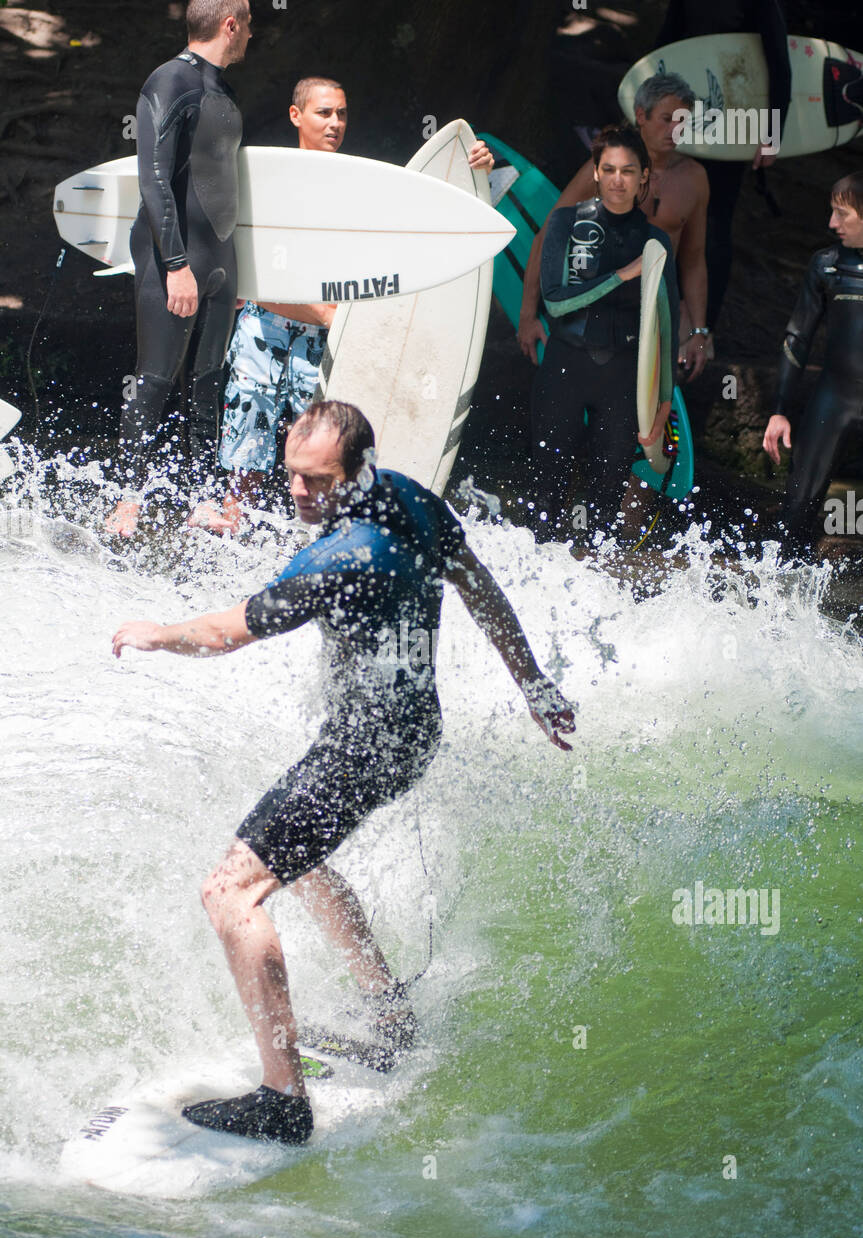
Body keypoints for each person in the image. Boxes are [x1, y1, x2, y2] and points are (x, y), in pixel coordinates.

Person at [112, 400, 575, 1145]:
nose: (299, 494)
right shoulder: (412, 498)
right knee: (303, 858)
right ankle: (389, 1017)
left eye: (316, 483)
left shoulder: (345, 553)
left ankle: (282, 1099)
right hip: (411, 731)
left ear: (354, 469)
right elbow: (479, 585)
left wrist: (157, 634)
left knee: (231, 890)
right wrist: (533, 685)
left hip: (367, 745)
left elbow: (229, 634)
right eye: (292, 476)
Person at [189, 79, 495, 535]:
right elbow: (249, 276)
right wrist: (327, 314)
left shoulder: (363, 189)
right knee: (247, 436)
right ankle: (233, 521)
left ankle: (330, 534)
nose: (335, 123)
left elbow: (420, 229)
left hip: (329, 339)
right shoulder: (268, 182)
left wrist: (474, 175)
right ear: (296, 116)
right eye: (324, 113)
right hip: (267, 327)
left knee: (329, 448)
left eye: (342, 114)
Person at [106, 0, 252, 540]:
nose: (250, 36)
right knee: (153, 379)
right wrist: (176, 265)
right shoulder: (168, 80)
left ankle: (200, 496)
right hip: (175, 259)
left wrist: (238, 273)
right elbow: (154, 181)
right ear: (229, 24)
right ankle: (126, 498)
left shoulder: (224, 91)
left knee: (209, 380)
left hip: (221, 258)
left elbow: (224, 183)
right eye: (249, 25)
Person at [529, 126, 679, 542]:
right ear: (595, 172)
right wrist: (621, 275)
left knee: (607, 497)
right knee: (548, 491)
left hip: (623, 375)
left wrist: (663, 405)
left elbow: (666, 326)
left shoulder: (655, 241)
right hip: (566, 364)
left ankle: (595, 584)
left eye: (628, 171)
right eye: (608, 169)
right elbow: (556, 303)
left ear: (644, 176)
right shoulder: (564, 222)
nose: (618, 180)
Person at [518, 73, 709, 380]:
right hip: (601, 303)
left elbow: (694, 259)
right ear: (641, 116)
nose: (676, 129)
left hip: (657, 305)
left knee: (672, 380)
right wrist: (527, 315)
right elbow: (547, 237)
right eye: (667, 119)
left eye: (683, 120)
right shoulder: (608, 169)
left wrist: (700, 329)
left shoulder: (694, 178)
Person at [653, 0, 791, 334]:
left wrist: (772, 135)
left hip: (733, 119)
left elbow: (779, 63)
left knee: (715, 222)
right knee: (673, 215)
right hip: (687, 118)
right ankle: (670, 313)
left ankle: (704, 326)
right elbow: (664, 46)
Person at [762, 173, 863, 554]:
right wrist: (780, 411)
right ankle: (779, 601)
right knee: (795, 515)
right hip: (833, 400)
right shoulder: (826, 265)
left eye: (842, 214)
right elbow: (796, 338)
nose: (831, 224)